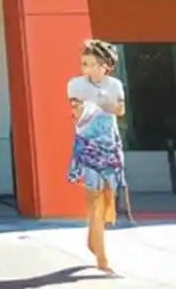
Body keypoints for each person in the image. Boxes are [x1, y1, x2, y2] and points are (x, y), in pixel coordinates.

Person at [67, 39, 127, 274]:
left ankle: (94, 238)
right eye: (84, 64)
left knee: (108, 198)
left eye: (93, 64)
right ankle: (102, 257)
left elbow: (120, 110)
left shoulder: (115, 85)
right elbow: (77, 111)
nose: (88, 69)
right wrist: (98, 105)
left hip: (110, 143)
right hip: (88, 143)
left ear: (106, 66)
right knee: (93, 197)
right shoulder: (75, 84)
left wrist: (102, 104)